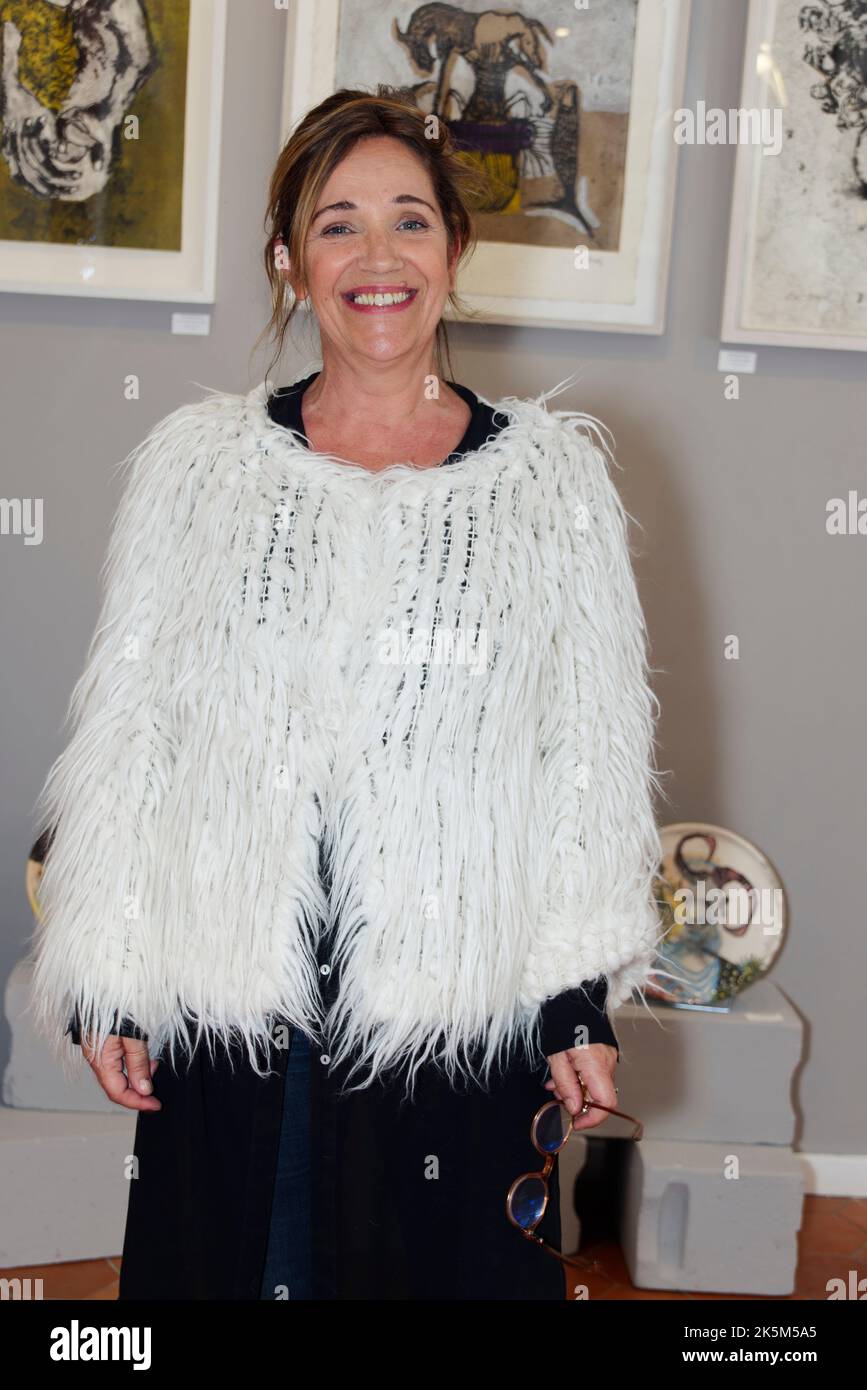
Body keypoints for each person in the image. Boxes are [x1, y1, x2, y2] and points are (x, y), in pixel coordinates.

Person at [27, 90, 664, 1300]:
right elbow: (131, 737)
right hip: (236, 1006)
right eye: (338, 225)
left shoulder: (551, 484)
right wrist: (106, 971)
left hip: (454, 1010)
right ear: (287, 259)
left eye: (411, 221)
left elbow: (586, 753)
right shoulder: (198, 470)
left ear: (455, 250)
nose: (378, 258)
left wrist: (575, 999)